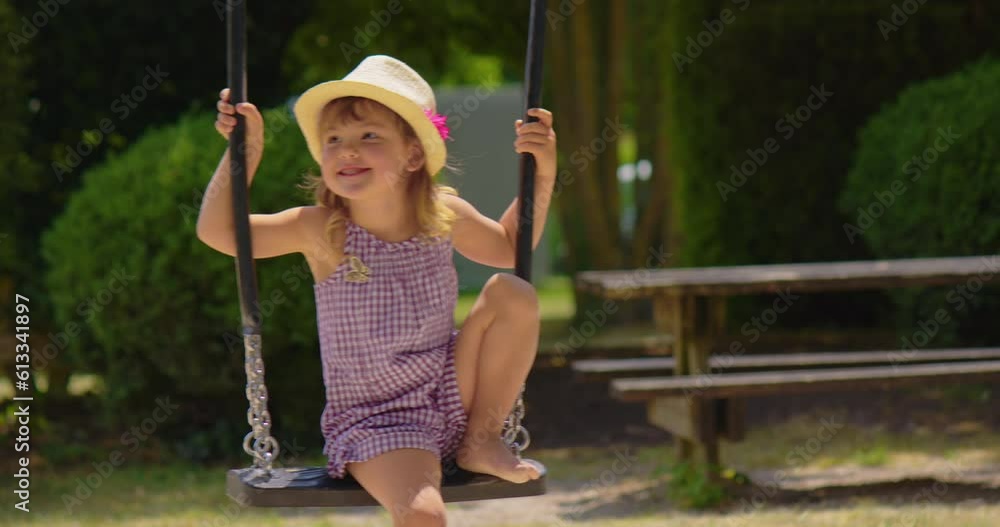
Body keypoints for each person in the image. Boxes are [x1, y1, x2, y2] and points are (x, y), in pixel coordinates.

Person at [196, 55, 556, 526]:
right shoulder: (322, 230)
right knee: (425, 516)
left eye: (369, 136)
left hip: (451, 389)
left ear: (412, 154)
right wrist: (246, 152)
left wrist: (543, 172)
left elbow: (512, 246)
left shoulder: (444, 214)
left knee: (513, 292)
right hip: (379, 423)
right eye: (334, 140)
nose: (348, 150)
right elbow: (220, 233)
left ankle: (481, 440)